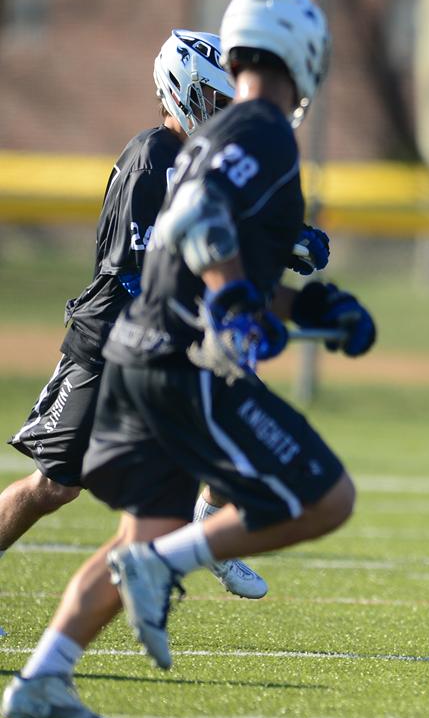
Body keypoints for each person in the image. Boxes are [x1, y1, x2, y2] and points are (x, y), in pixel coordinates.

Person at [1, 0, 374, 718]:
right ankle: (180, 557)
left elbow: (195, 235)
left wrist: (303, 307)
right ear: (303, 58)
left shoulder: (214, 137)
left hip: (143, 354)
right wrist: (237, 300)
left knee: (132, 528)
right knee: (325, 498)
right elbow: (199, 221)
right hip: (171, 356)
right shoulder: (258, 134)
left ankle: (44, 678)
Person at [0, 32, 331, 612]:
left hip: (156, 336)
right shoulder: (153, 156)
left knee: (227, 401)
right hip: (109, 339)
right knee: (54, 486)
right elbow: (138, 265)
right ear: (182, 91)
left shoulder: (202, 164)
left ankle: (211, 513)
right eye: (217, 102)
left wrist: (284, 243)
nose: (226, 116)